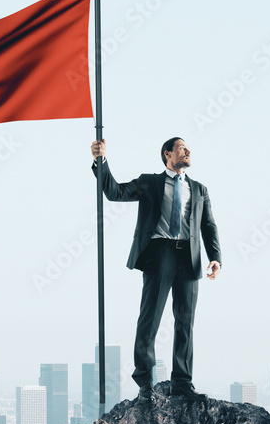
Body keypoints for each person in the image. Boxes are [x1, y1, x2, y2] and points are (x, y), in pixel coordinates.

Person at [91, 137, 222, 404]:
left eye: (188, 149)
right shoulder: (150, 182)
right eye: (182, 148)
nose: (188, 151)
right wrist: (100, 161)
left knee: (185, 322)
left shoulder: (199, 189)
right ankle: (145, 384)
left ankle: (182, 383)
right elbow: (115, 192)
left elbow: (208, 225)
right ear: (168, 154)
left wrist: (215, 257)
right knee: (149, 320)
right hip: (159, 253)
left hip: (189, 257)